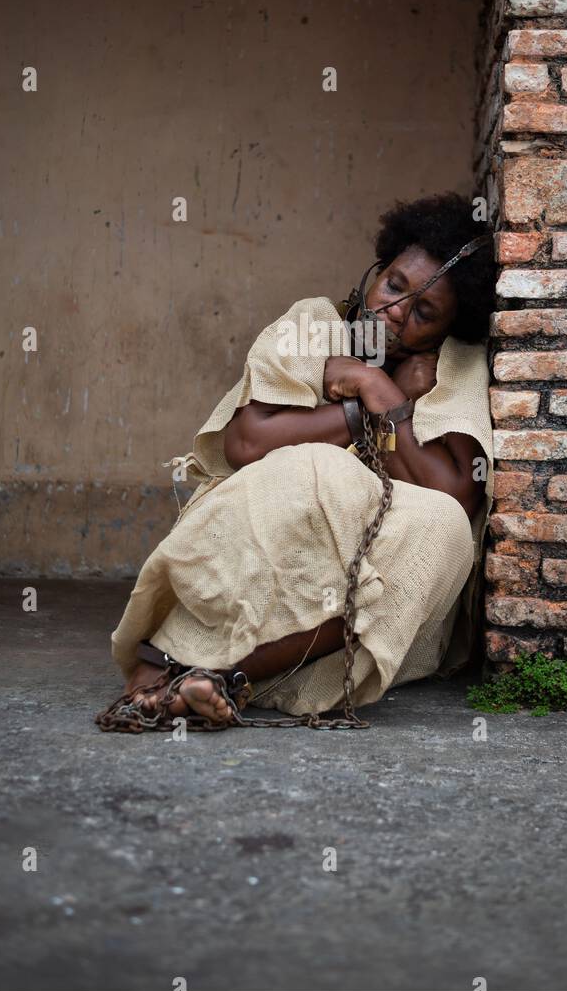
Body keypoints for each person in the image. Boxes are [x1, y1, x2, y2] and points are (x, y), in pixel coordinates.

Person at [97, 190, 494, 731]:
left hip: (368, 563)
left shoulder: (453, 366)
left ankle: (227, 676)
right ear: (376, 269)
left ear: (447, 329)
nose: (397, 309)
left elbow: (456, 495)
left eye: (424, 312)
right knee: (318, 469)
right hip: (261, 536)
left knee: (444, 529)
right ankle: (162, 669)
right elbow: (246, 443)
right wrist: (363, 401)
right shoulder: (313, 324)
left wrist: (390, 404)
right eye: (394, 284)